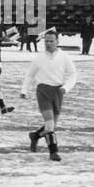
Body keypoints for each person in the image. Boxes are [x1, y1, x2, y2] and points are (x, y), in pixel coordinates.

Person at [22, 28, 78, 162]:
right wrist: (24, 90)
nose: (48, 44)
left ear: (57, 41)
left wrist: (66, 88)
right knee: (50, 124)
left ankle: (35, 136)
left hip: (58, 91)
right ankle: (53, 152)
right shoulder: (39, 58)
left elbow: (73, 74)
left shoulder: (64, 57)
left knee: (51, 126)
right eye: (46, 41)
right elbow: (30, 75)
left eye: (51, 41)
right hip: (43, 91)